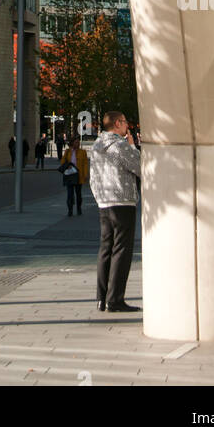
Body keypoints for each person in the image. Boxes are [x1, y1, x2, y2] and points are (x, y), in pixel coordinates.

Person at [88, 109, 141, 313]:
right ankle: (116, 299)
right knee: (121, 251)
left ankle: (102, 298)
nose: (127, 126)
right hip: (122, 201)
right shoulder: (119, 145)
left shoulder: (97, 145)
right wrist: (133, 146)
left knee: (106, 249)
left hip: (104, 202)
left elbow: (93, 175)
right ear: (118, 123)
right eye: (125, 122)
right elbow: (139, 166)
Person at [60, 135, 89, 214]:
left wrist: (85, 174)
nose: (78, 144)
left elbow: (85, 164)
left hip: (78, 175)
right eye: (76, 142)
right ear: (72, 143)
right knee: (70, 194)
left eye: (78, 142)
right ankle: (70, 210)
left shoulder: (83, 152)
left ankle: (79, 208)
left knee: (78, 193)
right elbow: (62, 162)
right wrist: (67, 164)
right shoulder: (68, 151)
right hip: (70, 175)